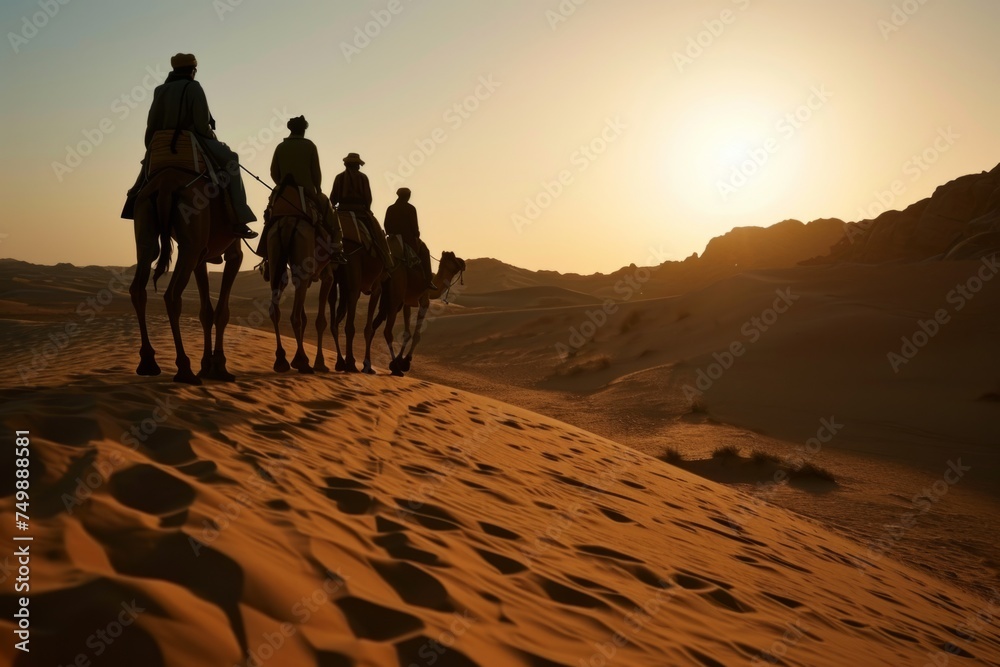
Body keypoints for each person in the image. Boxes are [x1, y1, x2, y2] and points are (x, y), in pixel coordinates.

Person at [134, 53, 257, 238]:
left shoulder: (160, 90)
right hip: (191, 141)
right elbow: (201, 125)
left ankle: (133, 200)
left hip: (160, 145)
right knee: (232, 159)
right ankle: (240, 216)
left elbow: (151, 124)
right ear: (193, 70)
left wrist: (152, 147)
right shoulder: (193, 87)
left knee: (144, 175)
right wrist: (214, 139)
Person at [258, 116, 347, 264]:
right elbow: (316, 173)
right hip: (307, 191)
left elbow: (274, 172)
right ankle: (337, 249)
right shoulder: (310, 146)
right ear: (304, 130)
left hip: (282, 191)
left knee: (269, 215)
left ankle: (265, 253)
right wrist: (317, 189)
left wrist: (281, 186)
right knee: (332, 216)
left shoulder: (280, 147)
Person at [329, 153, 393, 268]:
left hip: (341, 211)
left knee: (329, 231)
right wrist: (368, 210)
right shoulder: (363, 178)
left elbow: (332, 198)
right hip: (361, 213)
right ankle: (386, 261)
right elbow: (368, 198)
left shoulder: (339, 177)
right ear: (357, 165)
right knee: (377, 235)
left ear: (346, 164)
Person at [384, 188, 434, 288]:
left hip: (393, 241)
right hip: (408, 240)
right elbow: (414, 227)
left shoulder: (391, 208)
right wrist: (417, 235)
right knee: (425, 252)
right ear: (408, 195)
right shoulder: (410, 208)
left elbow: (386, 225)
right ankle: (428, 281)